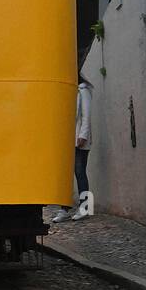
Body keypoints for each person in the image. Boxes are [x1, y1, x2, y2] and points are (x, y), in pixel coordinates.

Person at [51, 75, 92, 223]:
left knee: (80, 172)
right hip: (68, 140)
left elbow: (86, 115)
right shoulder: (70, 90)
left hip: (79, 140)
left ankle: (86, 207)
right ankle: (64, 209)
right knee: (66, 174)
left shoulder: (83, 91)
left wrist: (83, 135)